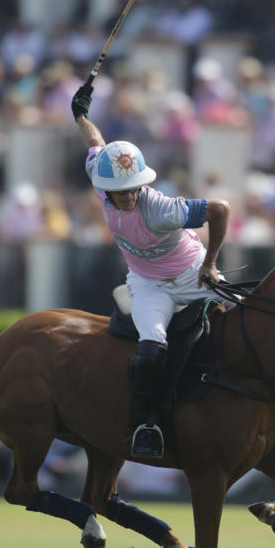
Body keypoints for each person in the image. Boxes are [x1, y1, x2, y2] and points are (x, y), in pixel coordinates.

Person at [71, 76, 230, 458]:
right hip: (148, 284)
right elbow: (96, 143)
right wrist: (81, 113)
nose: (126, 197)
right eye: (119, 191)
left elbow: (220, 210)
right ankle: (147, 423)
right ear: (104, 187)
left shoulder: (160, 208)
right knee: (151, 346)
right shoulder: (101, 178)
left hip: (193, 273)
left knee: (243, 326)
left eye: (132, 189)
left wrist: (210, 263)